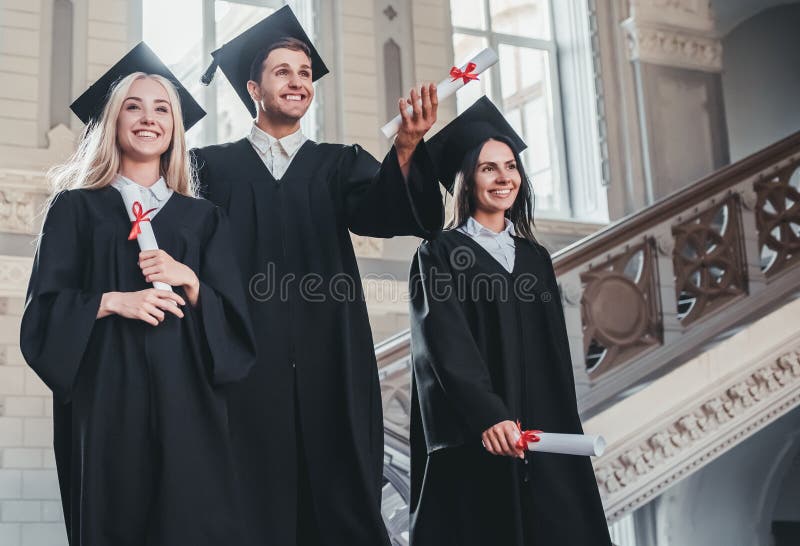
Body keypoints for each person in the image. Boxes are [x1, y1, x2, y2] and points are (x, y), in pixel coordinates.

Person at [192, 6, 443, 545]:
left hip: (331, 358)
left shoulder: (337, 164)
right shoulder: (211, 168)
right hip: (244, 363)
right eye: (282, 71)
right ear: (253, 88)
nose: (298, 81)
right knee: (247, 501)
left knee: (338, 500)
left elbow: (388, 213)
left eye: (305, 73)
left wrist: (405, 148)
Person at [19, 43, 257, 546]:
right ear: (113, 121)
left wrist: (190, 280)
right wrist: (111, 301)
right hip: (107, 401)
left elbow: (237, 331)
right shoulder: (76, 210)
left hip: (187, 403)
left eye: (162, 109)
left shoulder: (204, 220)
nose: (149, 118)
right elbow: (42, 317)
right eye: (134, 106)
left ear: (175, 127)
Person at [409, 96, 612, 545]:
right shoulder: (439, 253)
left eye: (511, 166)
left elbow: (552, 351)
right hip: (481, 432)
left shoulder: (535, 257)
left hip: (543, 427)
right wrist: (489, 414)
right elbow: (444, 343)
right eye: (488, 168)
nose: (504, 178)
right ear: (466, 180)